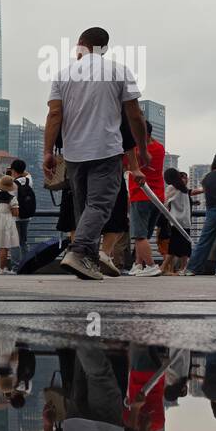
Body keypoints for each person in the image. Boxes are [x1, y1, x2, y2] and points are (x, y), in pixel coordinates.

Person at [43, 27, 149, 281]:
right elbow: (134, 114)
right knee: (100, 205)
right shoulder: (118, 70)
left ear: (80, 45)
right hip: (105, 149)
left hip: (73, 153)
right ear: (105, 48)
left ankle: (86, 260)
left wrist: (48, 151)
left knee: (84, 208)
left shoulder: (62, 74)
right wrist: (142, 148)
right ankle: (80, 252)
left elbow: (54, 114)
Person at [127, 120, 166, 277]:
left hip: (140, 194)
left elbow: (125, 165)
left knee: (139, 235)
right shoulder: (159, 148)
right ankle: (138, 264)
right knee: (143, 234)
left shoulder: (135, 151)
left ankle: (151, 266)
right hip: (157, 197)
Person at [160, 168, 194, 275]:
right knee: (185, 246)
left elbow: (164, 202)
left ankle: (163, 267)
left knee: (173, 246)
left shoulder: (172, 188)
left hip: (176, 221)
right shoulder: (183, 189)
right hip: (186, 221)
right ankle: (184, 268)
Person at [8, 159, 35, 268]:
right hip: (26, 216)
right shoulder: (29, 180)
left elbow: (11, 200)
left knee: (14, 242)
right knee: (23, 241)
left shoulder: (13, 184)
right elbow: (27, 173)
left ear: (13, 170)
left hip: (15, 217)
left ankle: (15, 266)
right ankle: (26, 265)